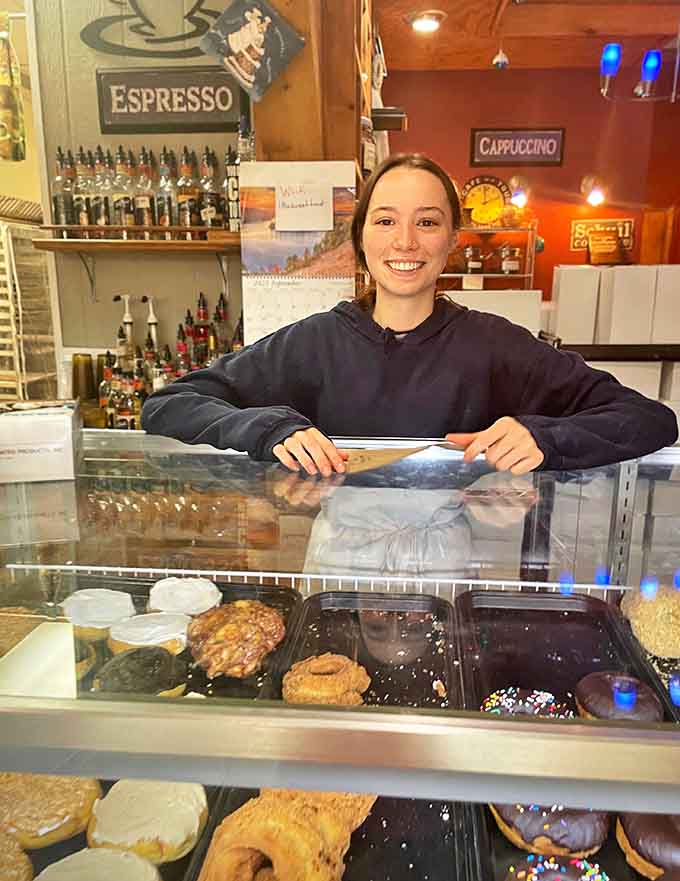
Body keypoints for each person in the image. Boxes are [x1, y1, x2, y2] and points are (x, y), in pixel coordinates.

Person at [142, 153, 678, 475]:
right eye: (384, 221)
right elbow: (168, 406)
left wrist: (544, 437)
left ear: (452, 241)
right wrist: (269, 429)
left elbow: (651, 419)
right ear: (360, 239)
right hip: (338, 574)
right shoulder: (312, 343)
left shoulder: (496, 346)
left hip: (457, 575)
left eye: (426, 222)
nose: (404, 241)